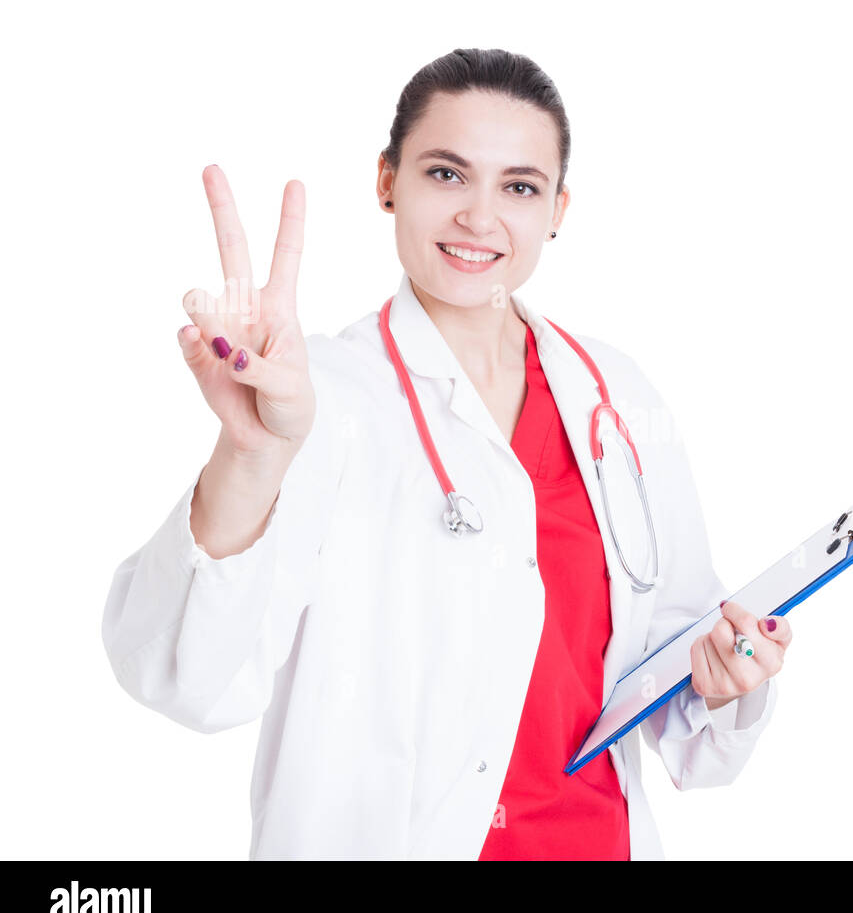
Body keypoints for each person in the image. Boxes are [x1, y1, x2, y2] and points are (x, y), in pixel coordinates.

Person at [101, 48, 789, 861]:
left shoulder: (614, 397)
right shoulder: (316, 395)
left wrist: (722, 677)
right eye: (447, 174)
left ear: (558, 208)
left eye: (520, 187)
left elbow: (673, 670)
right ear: (387, 181)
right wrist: (251, 451)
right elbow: (187, 677)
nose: (480, 218)